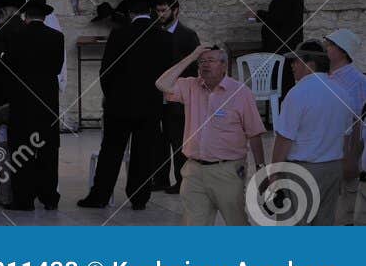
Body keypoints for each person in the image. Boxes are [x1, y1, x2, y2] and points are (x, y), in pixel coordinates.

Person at [155, 42, 265, 226]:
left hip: (227, 171)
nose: (205, 64)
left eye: (211, 60)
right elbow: (162, 84)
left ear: (224, 66)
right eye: (201, 61)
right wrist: (191, 56)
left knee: (236, 224)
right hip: (194, 171)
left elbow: (254, 133)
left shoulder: (240, 92)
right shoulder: (190, 86)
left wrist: (262, 169)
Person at [78, 0, 167, 211]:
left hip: (119, 104)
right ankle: (139, 198)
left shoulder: (119, 34)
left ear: (130, 13)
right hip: (150, 105)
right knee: (143, 152)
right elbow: (168, 73)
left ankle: (100, 196)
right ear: (150, 10)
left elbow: (106, 71)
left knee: (111, 150)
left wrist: (111, 97)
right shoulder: (164, 37)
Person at [269, 45, 351, 226]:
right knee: (323, 226)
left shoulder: (298, 93)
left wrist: (273, 174)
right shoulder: (342, 93)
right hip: (332, 168)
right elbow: (346, 137)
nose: (292, 65)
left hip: (302, 171)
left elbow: (284, 139)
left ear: (310, 64)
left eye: (296, 61)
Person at [0, 0, 63, 212]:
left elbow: (8, 70)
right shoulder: (56, 37)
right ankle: (49, 197)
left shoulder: (15, 36)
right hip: (47, 102)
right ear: (45, 15)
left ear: (25, 14)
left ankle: (23, 199)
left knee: (22, 150)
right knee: (48, 151)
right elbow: (56, 68)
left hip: (22, 102)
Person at [153, 0, 199, 194]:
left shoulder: (188, 36)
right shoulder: (153, 33)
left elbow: (193, 68)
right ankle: (160, 178)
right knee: (158, 141)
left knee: (178, 140)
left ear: (176, 10)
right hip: (157, 96)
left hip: (178, 97)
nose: (160, 15)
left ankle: (182, 180)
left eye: (163, 10)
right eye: (157, 11)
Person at [322, 29, 366, 225]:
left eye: (329, 46)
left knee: (344, 214)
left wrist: (351, 158)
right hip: (326, 153)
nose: (326, 49)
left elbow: (357, 121)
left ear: (342, 51)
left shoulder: (357, 81)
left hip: (344, 155)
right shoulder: (327, 77)